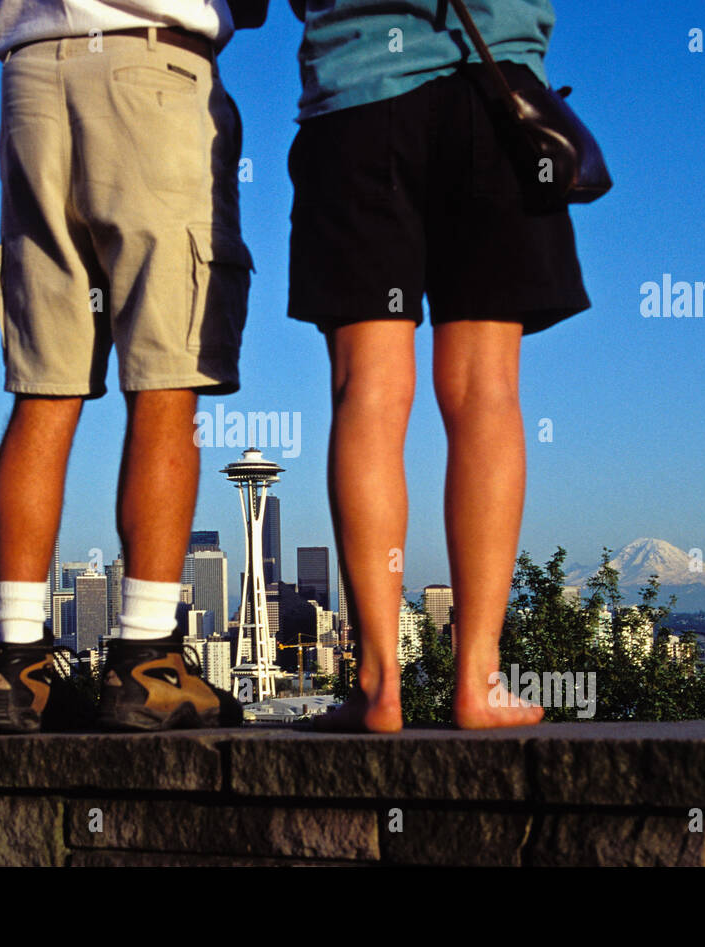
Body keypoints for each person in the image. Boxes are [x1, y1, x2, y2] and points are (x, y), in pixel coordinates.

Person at [287, 0, 591, 731]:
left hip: (355, 100)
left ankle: (377, 686)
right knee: (485, 389)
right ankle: (478, 681)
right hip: (494, 93)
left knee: (369, 390)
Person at [0, 0, 254, 732]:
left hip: (31, 77)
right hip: (150, 68)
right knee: (166, 383)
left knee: (45, 390)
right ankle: (146, 660)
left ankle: (18, 669)